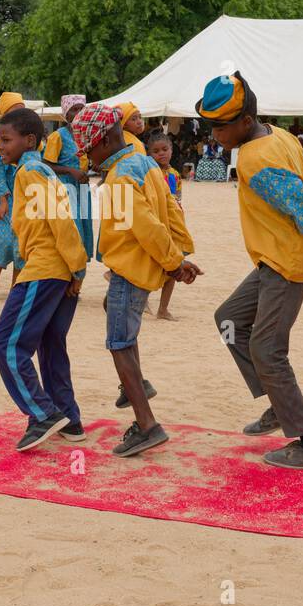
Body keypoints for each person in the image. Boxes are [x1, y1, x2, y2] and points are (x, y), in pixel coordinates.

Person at [198, 72, 303, 469]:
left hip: (287, 265)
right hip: (277, 259)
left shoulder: (255, 158)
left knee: (267, 350)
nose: (216, 135)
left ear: (246, 119)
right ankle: (278, 403)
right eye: (211, 127)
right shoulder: (280, 136)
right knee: (229, 320)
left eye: (221, 127)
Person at [71, 103, 200, 457]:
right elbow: (171, 210)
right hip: (140, 270)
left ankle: (147, 425)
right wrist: (181, 252)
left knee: (118, 344)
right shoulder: (144, 162)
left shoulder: (121, 177)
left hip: (130, 270)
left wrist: (175, 262)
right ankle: (135, 387)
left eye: (90, 149)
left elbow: (146, 226)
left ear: (108, 139)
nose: (88, 158)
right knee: (124, 336)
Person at [0, 107, 89, 450]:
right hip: (56, 267)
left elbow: (61, 219)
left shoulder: (30, 171)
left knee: (6, 343)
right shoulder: (36, 170)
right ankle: (69, 419)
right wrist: (74, 267)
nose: (0, 146)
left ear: (29, 140)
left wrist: (78, 266)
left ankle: (43, 413)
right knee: (50, 344)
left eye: (6, 139)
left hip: (46, 268)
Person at [0, 91, 29, 298]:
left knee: (21, 242)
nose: (20, 114)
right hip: (2, 198)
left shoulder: (27, 137)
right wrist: (3, 200)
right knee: (6, 241)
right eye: (15, 110)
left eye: (22, 109)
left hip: (22, 195)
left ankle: (14, 286)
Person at [42, 94, 95, 260]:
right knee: (72, 226)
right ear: (66, 114)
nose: (79, 113)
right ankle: (69, 266)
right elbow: (46, 165)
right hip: (65, 188)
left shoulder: (86, 134)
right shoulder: (58, 136)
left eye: (81, 109)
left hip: (82, 187)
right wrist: (71, 171)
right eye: (74, 109)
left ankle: (78, 272)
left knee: (84, 225)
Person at [146, 131, 185, 320]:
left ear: (171, 149)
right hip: (156, 223)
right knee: (151, 265)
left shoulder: (175, 174)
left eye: (165, 149)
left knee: (173, 266)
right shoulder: (150, 173)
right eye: (156, 151)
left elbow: (178, 200)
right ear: (149, 154)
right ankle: (141, 301)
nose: (161, 153)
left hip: (172, 224)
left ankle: (163, 308)